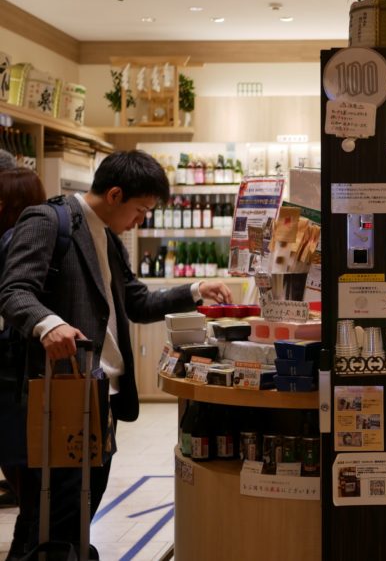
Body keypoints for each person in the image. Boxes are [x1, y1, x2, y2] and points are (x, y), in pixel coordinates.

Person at [0, 150, 233, 559]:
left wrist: (196, 290)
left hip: (101, 396)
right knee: (53, 515)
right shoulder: (48, 220)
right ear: (114, 195)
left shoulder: (107, 236)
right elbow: (15, 291)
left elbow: (137, 302)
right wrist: (48, 324)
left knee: (76, 511)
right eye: (140, 210)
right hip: (61, 395)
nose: (140, 220)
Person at [0, 168, 47, 559]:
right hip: (25, 370)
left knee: (21, 462)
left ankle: (26, 544)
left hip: (14, 371)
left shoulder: (13, 240)